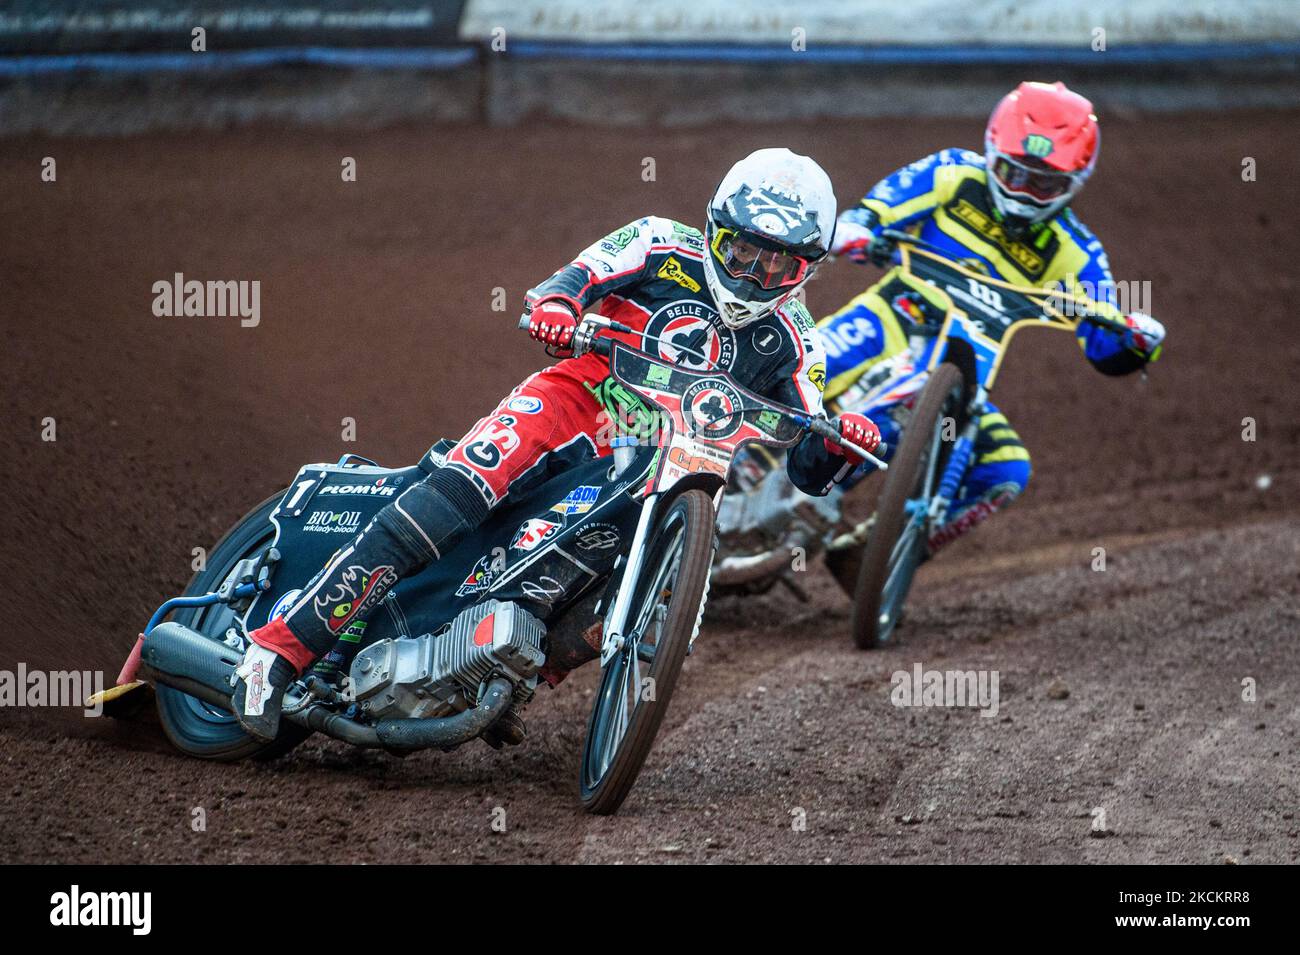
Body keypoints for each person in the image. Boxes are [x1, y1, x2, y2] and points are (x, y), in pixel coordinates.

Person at [231, 147, 882, 741]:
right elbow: (576, 278)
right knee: (454, 497)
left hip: (663, 469)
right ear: (714, 230)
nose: (756, 273)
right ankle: (276, 650)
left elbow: (809, 462)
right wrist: (558, 308)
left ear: (808, 269)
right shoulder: (660, 242)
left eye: (780, 262)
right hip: (570, 406)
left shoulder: (797, 341)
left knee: (646, 580)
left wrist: (842, 441)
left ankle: (512, 679)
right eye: (743, 251)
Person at [819, 81, 1165, 588]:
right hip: (890, 318)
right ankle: (722, 477)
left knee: (1006, 471)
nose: (1024, 193)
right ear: (991, 152)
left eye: (1043, 185)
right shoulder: (952, 172)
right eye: (1013, 173)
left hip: (965, 376)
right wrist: (857, 232)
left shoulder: (1076, 252)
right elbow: (872, 212)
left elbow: (1104, 340)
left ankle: (880, 551)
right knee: (793, 367)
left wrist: (1134, 339)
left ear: (1073, 183)